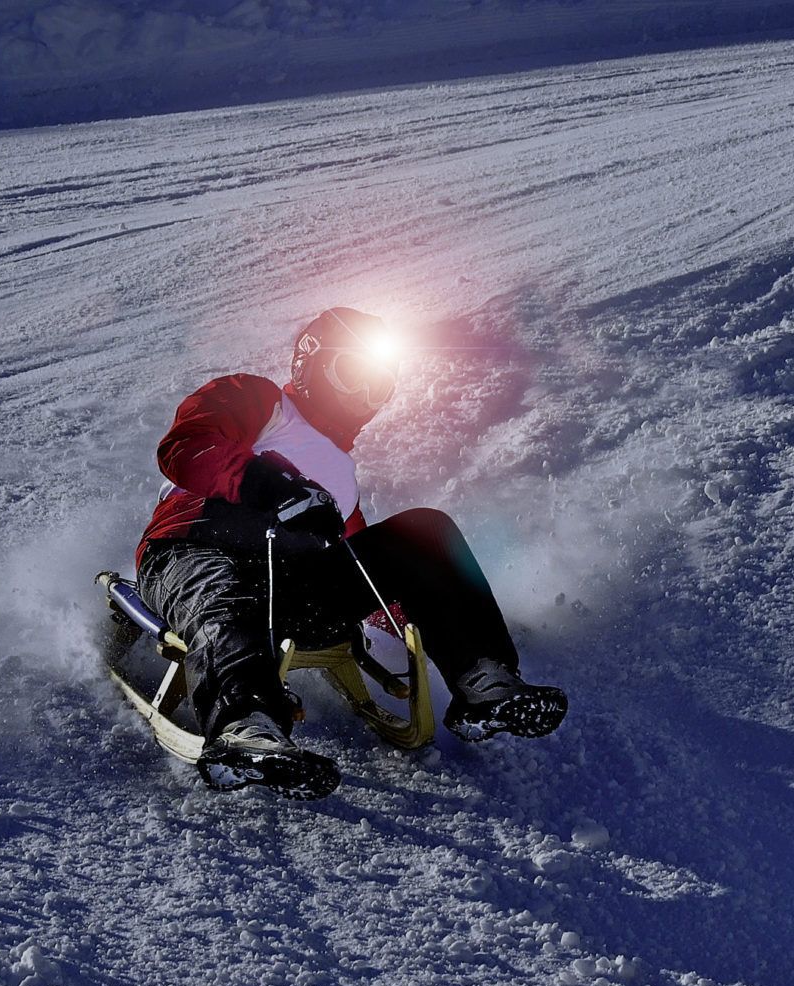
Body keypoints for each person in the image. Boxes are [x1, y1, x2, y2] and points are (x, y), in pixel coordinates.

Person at [135, 307, 567, 797]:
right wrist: (268, 483)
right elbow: (187, 445)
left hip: (294, 590)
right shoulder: (260, 399)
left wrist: (456, 617)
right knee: (226, 600)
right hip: (195, 549)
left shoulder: (342, 476)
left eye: (377, 387)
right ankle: (244, 724)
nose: (363, 397)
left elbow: (375, 584)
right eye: (351, 375)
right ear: (310, 364)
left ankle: (481, 679)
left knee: (423, 531)